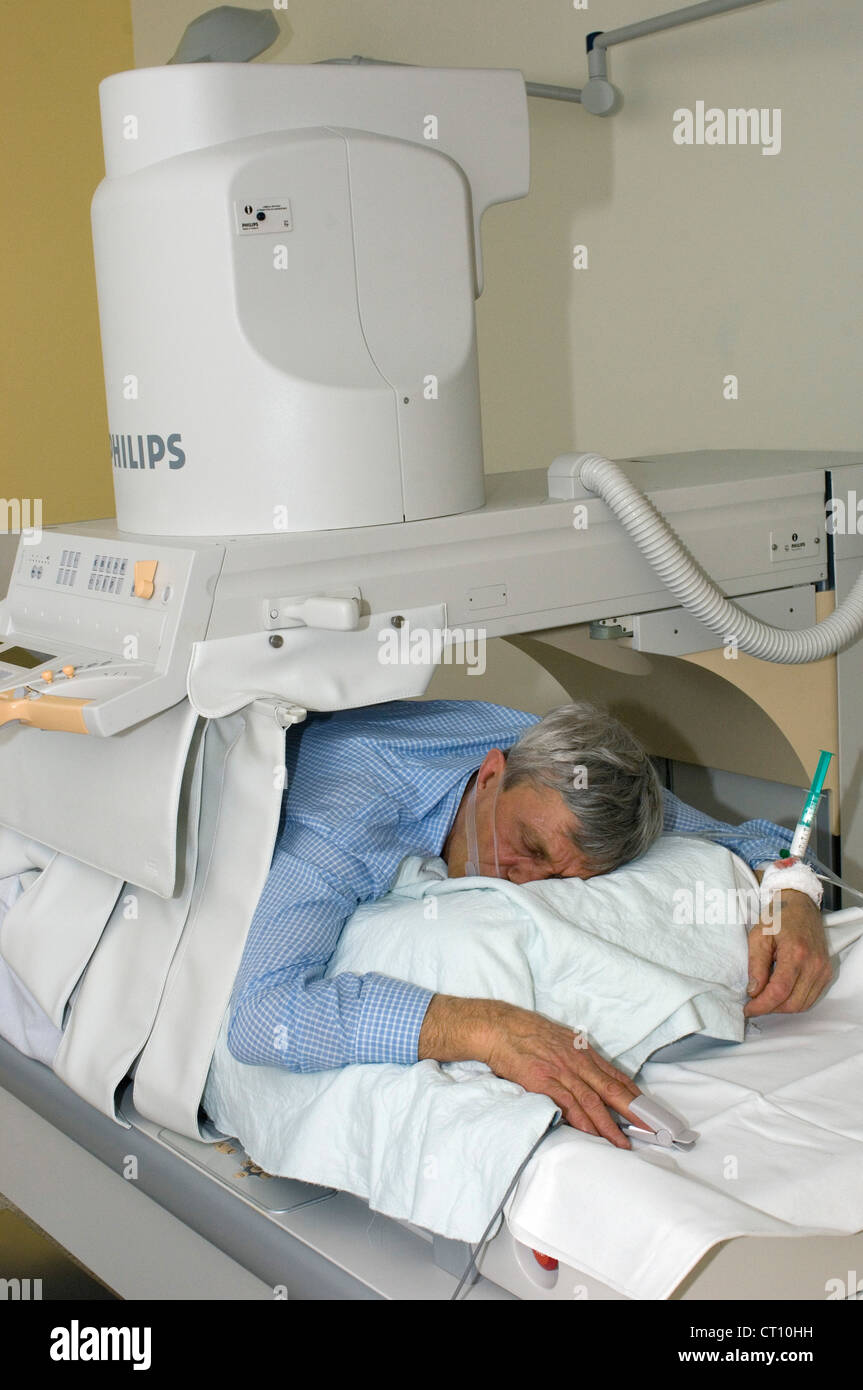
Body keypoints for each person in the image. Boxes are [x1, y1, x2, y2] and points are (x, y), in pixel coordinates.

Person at [228, 699, 831, 1149]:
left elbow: (756, 839)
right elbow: (261, 1017)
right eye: (526, 847)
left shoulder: (574, 780)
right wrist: (488, 1029)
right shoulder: (348, 824)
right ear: (491, 775)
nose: (520, 884)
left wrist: (794, 896)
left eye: (562, 883)